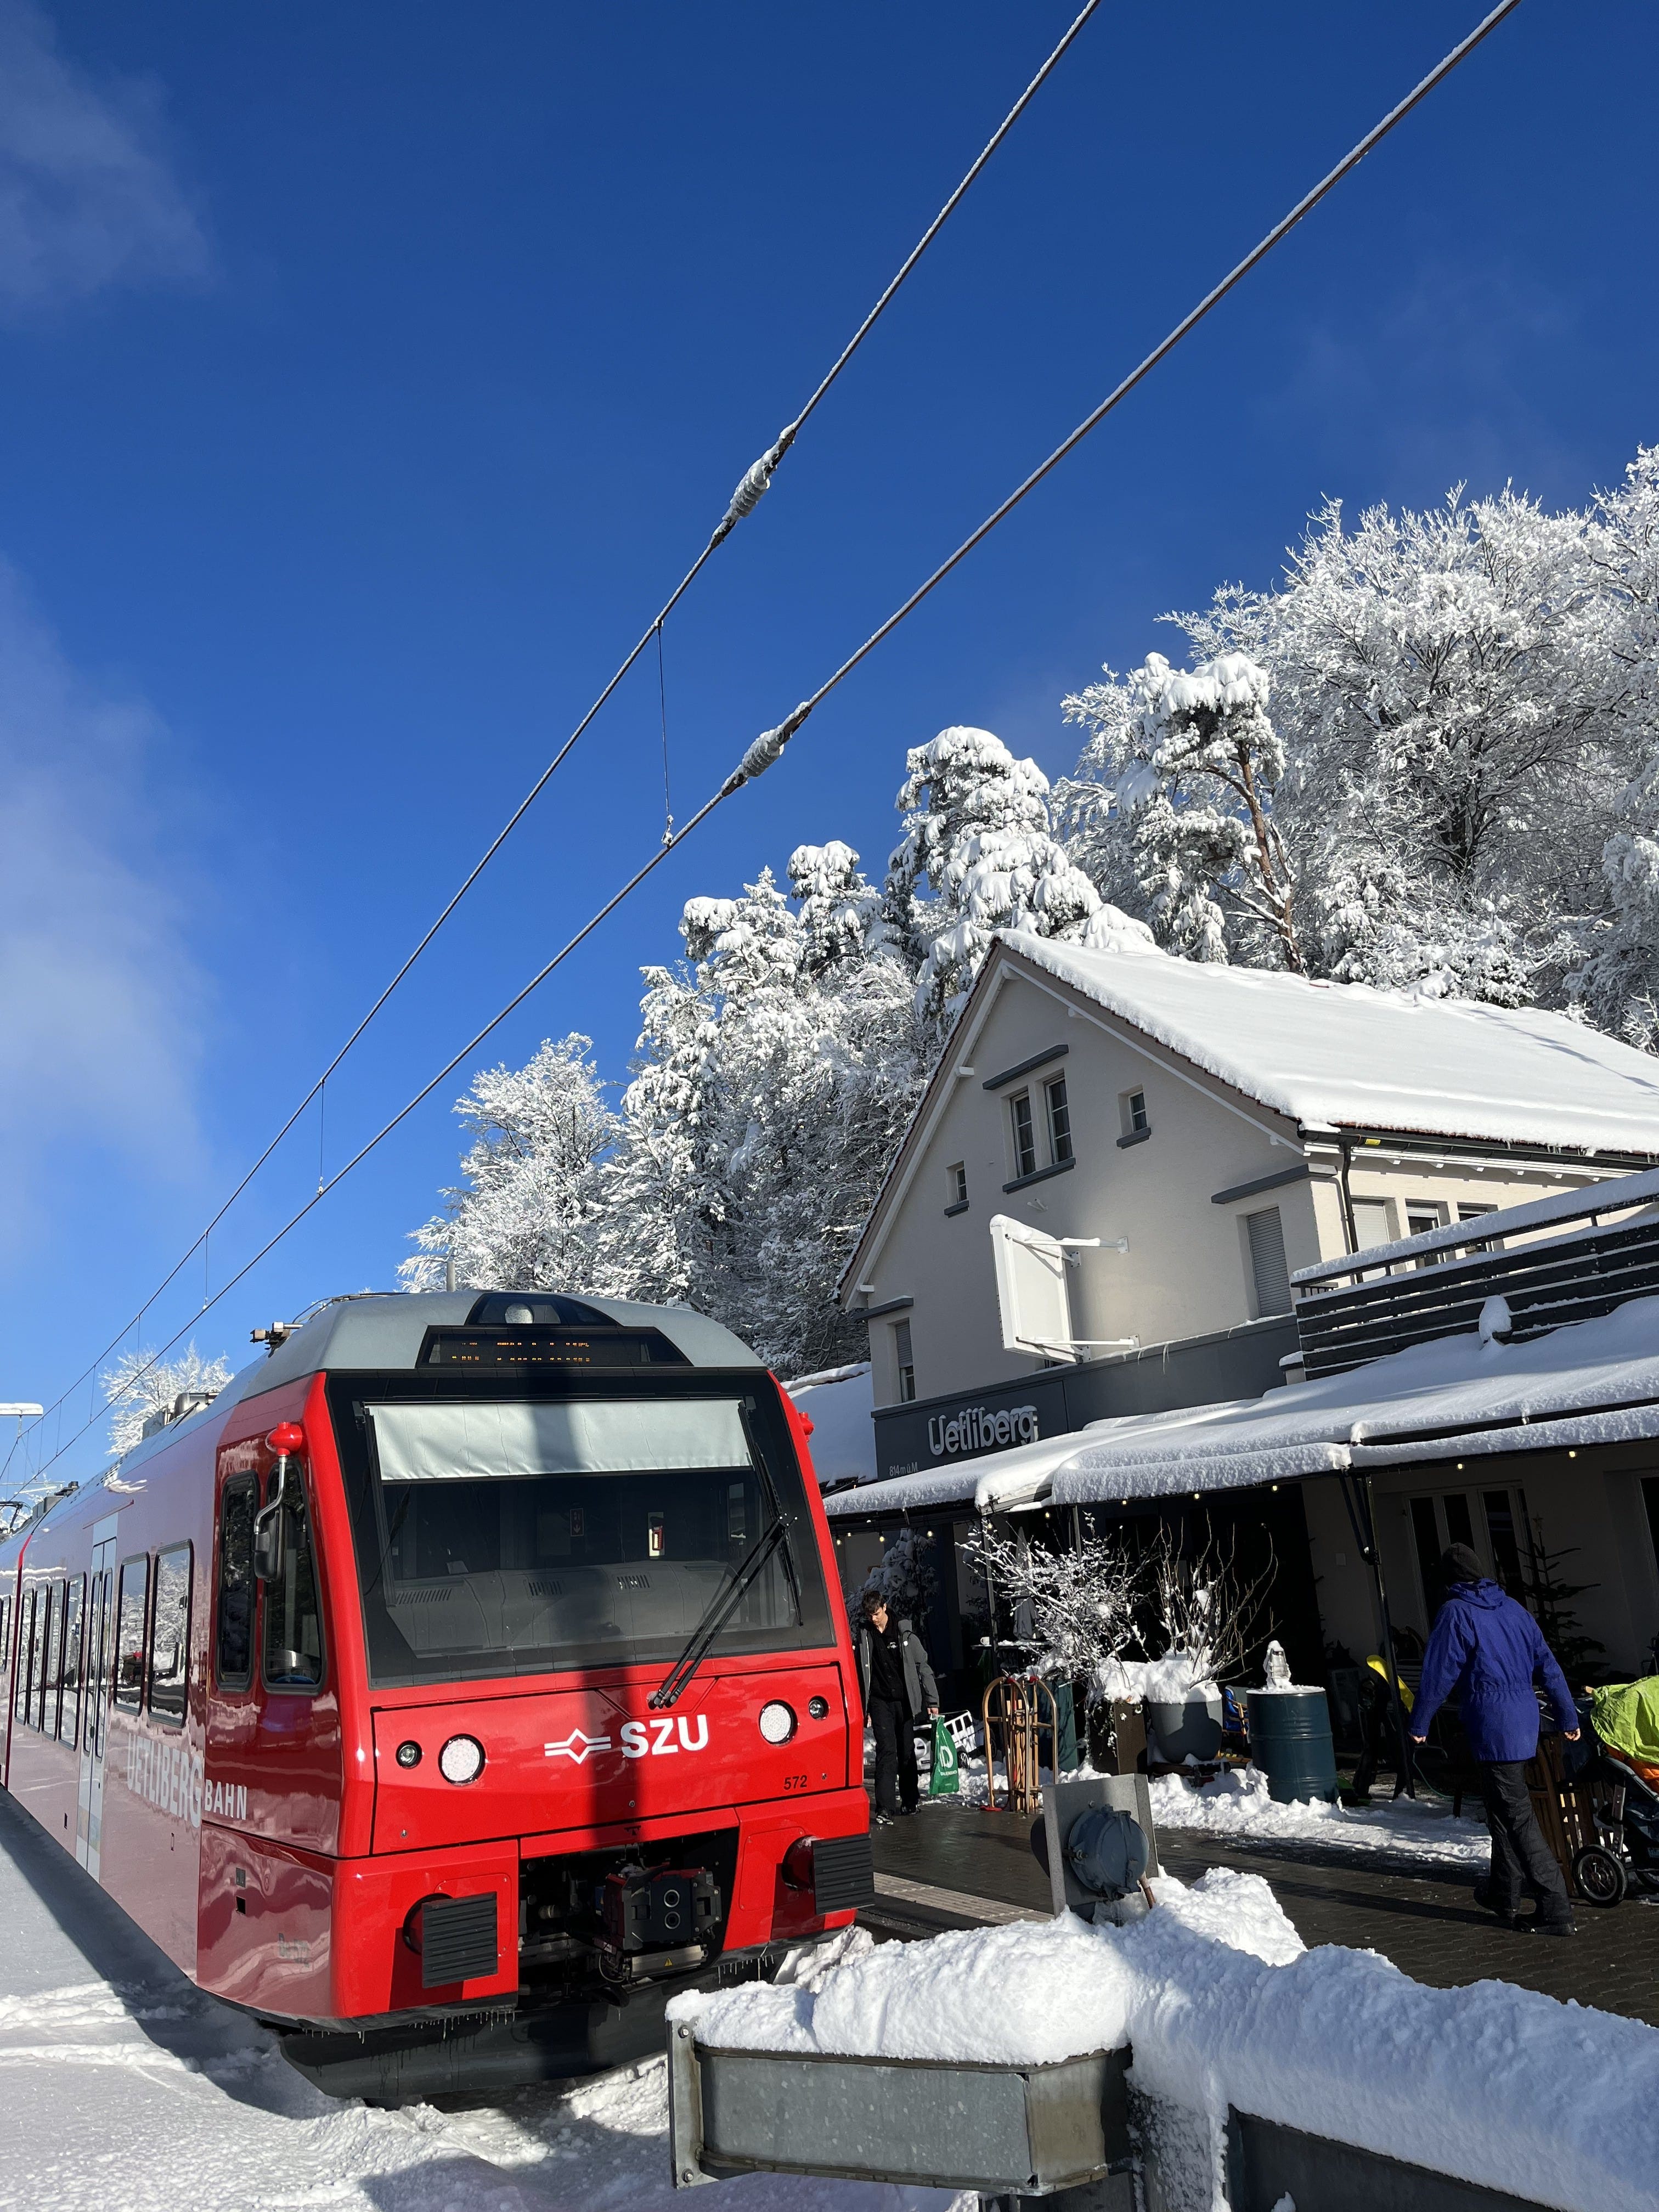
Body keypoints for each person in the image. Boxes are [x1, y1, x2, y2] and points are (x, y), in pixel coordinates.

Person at [1409, 1542, 1580, 1937]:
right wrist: (1567, 1716)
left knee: (1516, 1814)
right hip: (1525, 1720)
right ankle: (1503, 1893)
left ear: (1449, 1580)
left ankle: (1555, 1906)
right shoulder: (1513, 1608)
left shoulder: (1456, 1612)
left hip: (1492, 1723)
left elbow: (1438, 1674)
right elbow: (1549, 1666)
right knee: (1501, 1809)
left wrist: (1419, 1723)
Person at [855, 1594, 939, 1825]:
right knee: (886, 1751)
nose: (874, 1618)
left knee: (906, 1751)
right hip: (880, 1701)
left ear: (885, 1607)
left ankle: (910, 1801)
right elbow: (860, 1675)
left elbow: (923, 1667)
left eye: (877, 1613)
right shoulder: (865, 1636)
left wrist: (932, 1701)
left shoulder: (904, 1634)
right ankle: (885, 1809)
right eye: (870, 1615)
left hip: (904, 1701)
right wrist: (865, 1708)